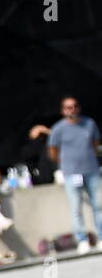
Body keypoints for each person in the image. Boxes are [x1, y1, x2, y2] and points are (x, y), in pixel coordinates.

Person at [47, 97, 102, 254]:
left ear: (79, 108)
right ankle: (82, 240)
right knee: (75, 208)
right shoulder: (58, 129)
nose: (71, 110)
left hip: (91, 170)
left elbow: (95, 144)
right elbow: (53, 152)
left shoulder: (89, 123)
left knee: (98, 205)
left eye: (74, 106)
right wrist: (64, 167)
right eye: (68, 107)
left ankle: (101, 237)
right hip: (71, 173)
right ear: (63, 110)